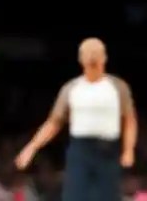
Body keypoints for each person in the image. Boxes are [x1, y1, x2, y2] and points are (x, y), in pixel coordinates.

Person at [15, 38, 136, 201]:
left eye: (96, 54)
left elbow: (129, 120)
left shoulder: (117, 87)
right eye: (88, 54)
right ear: (81, 59)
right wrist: (32, 146)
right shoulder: (71, 89)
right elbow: (54, 122)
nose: (92, 58)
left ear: (104, 57)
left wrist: (128, 149)